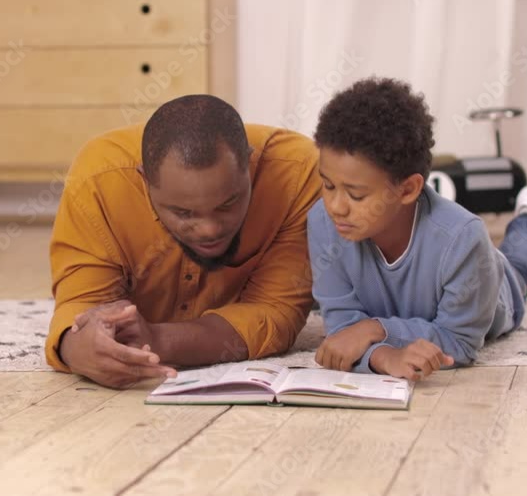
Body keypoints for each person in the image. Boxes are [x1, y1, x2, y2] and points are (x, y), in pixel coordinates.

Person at [46, 94, 321, 388]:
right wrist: (79, 349)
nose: (209, 229)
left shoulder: (299, 173)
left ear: (249, 163)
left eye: (228, 204)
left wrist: (158, 339)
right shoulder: (98, 179)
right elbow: (83, 305)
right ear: (145, 180)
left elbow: (274, 312)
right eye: (183, 212)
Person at [307, 77, 527, 380]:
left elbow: (459, 341)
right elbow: (342, 332)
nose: (336, 205)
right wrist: (385, 356)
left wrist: (375, 329)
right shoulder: (323, 221)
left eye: (356, 195)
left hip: (494, 284)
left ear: (408, 189)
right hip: (456, 258)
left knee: (519, 269)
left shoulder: (464, 238)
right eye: (327, 185)